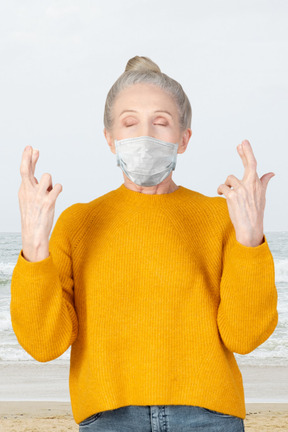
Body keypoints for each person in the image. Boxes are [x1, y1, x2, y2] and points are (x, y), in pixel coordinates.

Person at [10, 55, 278, 432]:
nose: (146, 135)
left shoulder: (222, 218)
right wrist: (34, 247)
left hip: (209, 416)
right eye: (130, 122)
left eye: (162, 122)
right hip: (108, 418)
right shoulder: (78, 223)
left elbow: (245, 336)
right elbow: (44, 344)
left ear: (184, 139)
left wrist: (250, 239)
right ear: (110, 139)